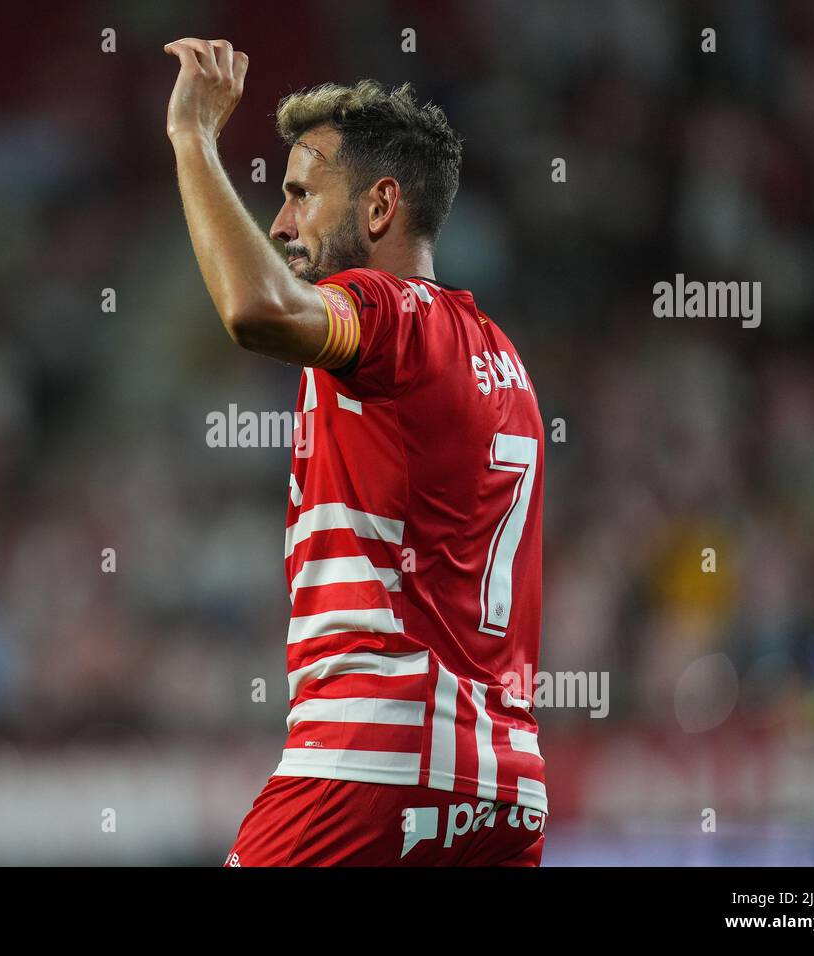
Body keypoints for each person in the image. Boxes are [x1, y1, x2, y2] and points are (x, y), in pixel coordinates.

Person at [165, 38, 547, 865]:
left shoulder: (384, 312)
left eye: (302, 195)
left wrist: (193, 138)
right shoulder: (505, 360)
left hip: (375, 764)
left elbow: (254, 310)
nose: (280, 222)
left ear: (379, 208)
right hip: (506, 785)